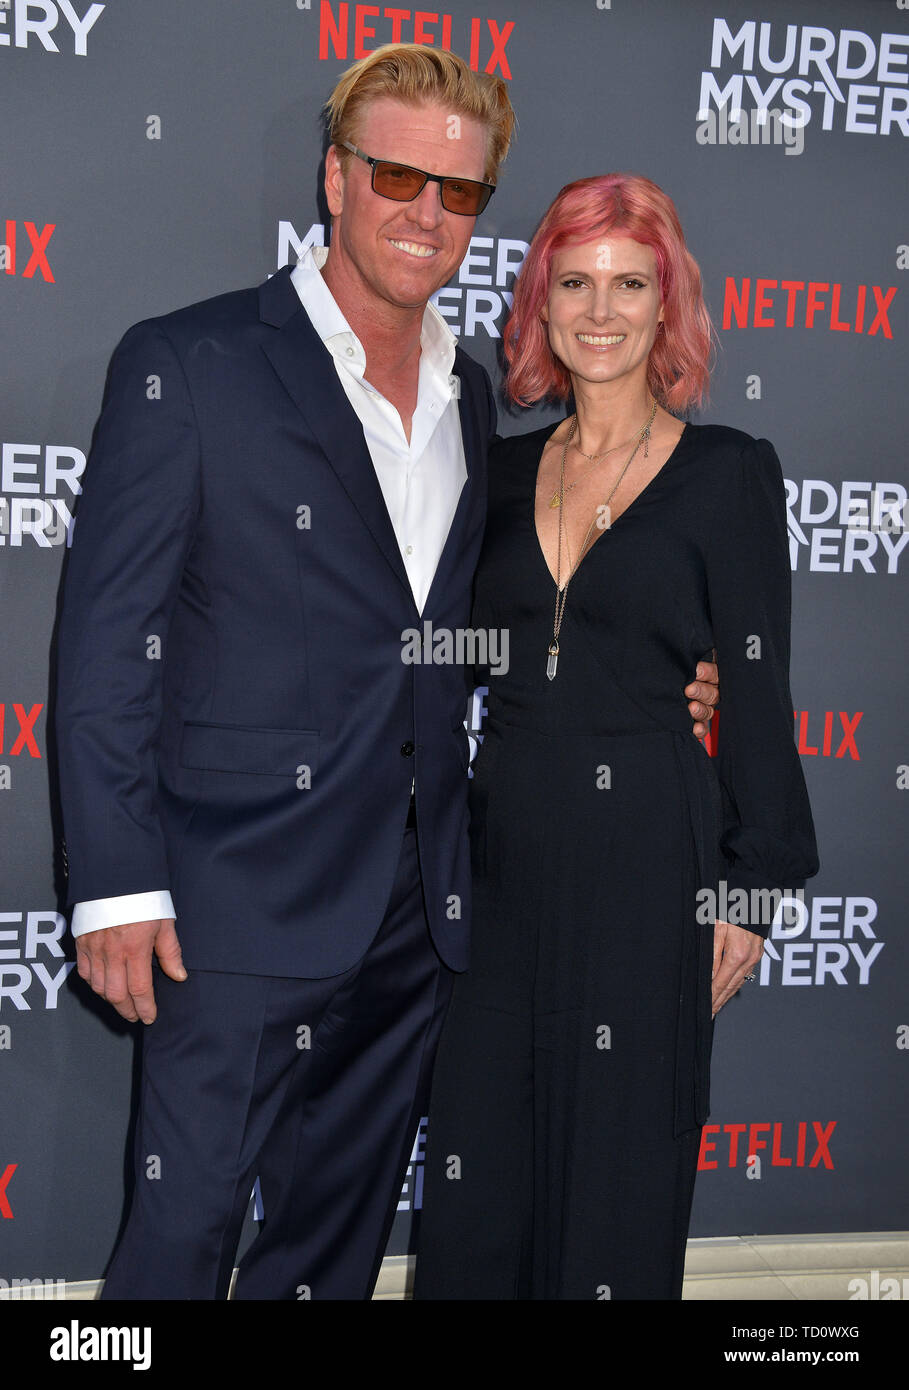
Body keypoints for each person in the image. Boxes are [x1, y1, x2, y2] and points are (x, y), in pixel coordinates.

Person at [55, 45, 716, 1300]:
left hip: (418, 915)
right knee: (177, 1245)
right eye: (398, 177)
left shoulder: (471, 395)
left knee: (333, 1250)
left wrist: (662, 679)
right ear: (335, 177)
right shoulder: (190, 365)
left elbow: (450, 635)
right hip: (224, 907)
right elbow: (103, 642)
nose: (426, 214)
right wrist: (115, 885)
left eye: (459, 193)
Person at [414, 174, 819, 1301]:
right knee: (479, 1179)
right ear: (539, 303)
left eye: (631, 284)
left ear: (668, 303)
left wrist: (749, 888)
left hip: (653, 855)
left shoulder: (730, 472)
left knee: (618, 1187)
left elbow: (755, 681)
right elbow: (441, 662)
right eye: (577, 282)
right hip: (502, 856)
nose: (603, 310)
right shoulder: (490, 472)